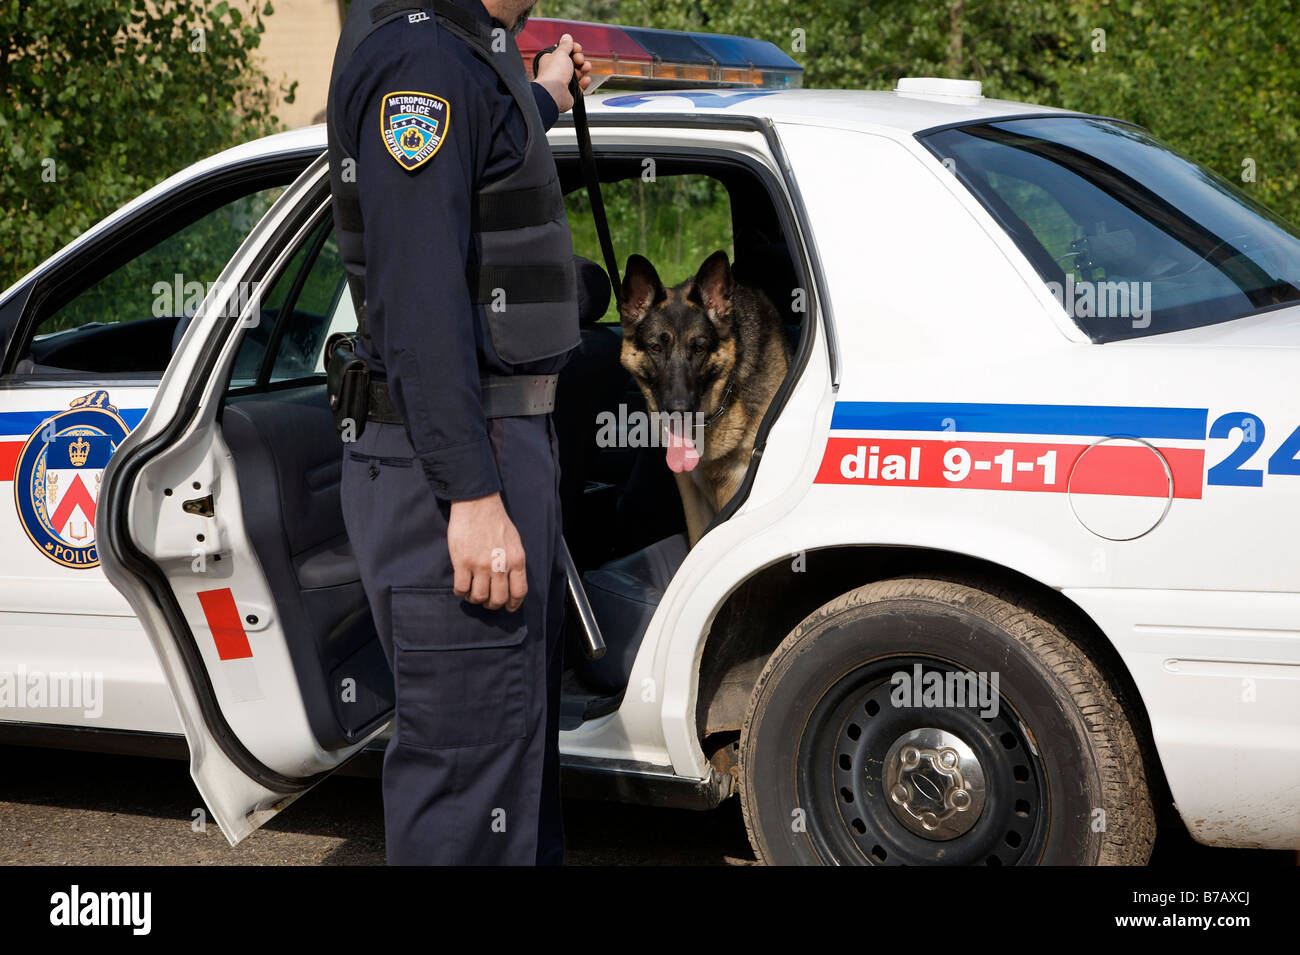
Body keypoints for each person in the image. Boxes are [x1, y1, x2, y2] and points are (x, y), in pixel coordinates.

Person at [326, 0, 592, 865]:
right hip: (458, 457)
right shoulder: (422, 64)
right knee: (470, 786)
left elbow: (479, 167)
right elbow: (419, 300)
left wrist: (543, 93)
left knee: (509, 758)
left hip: (492, 444)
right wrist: (472, 493)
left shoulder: (456, 55)